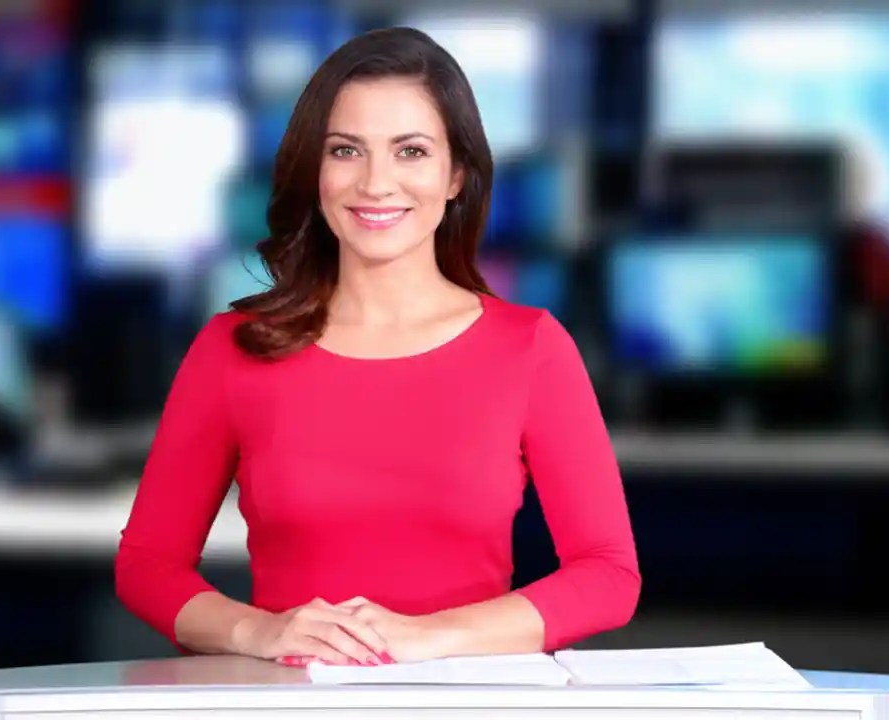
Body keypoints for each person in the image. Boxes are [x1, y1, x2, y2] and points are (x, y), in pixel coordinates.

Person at [116, 27, 639, 668]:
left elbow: (608, 574)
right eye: (346, 151)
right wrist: (260, 631)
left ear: (456, 176)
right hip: (290, 708)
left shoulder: (530, 348)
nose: (375, 183)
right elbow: (147, 565)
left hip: (468, 706)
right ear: (316, 171)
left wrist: (426, 638)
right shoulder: (233, 348)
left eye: (411, 151)